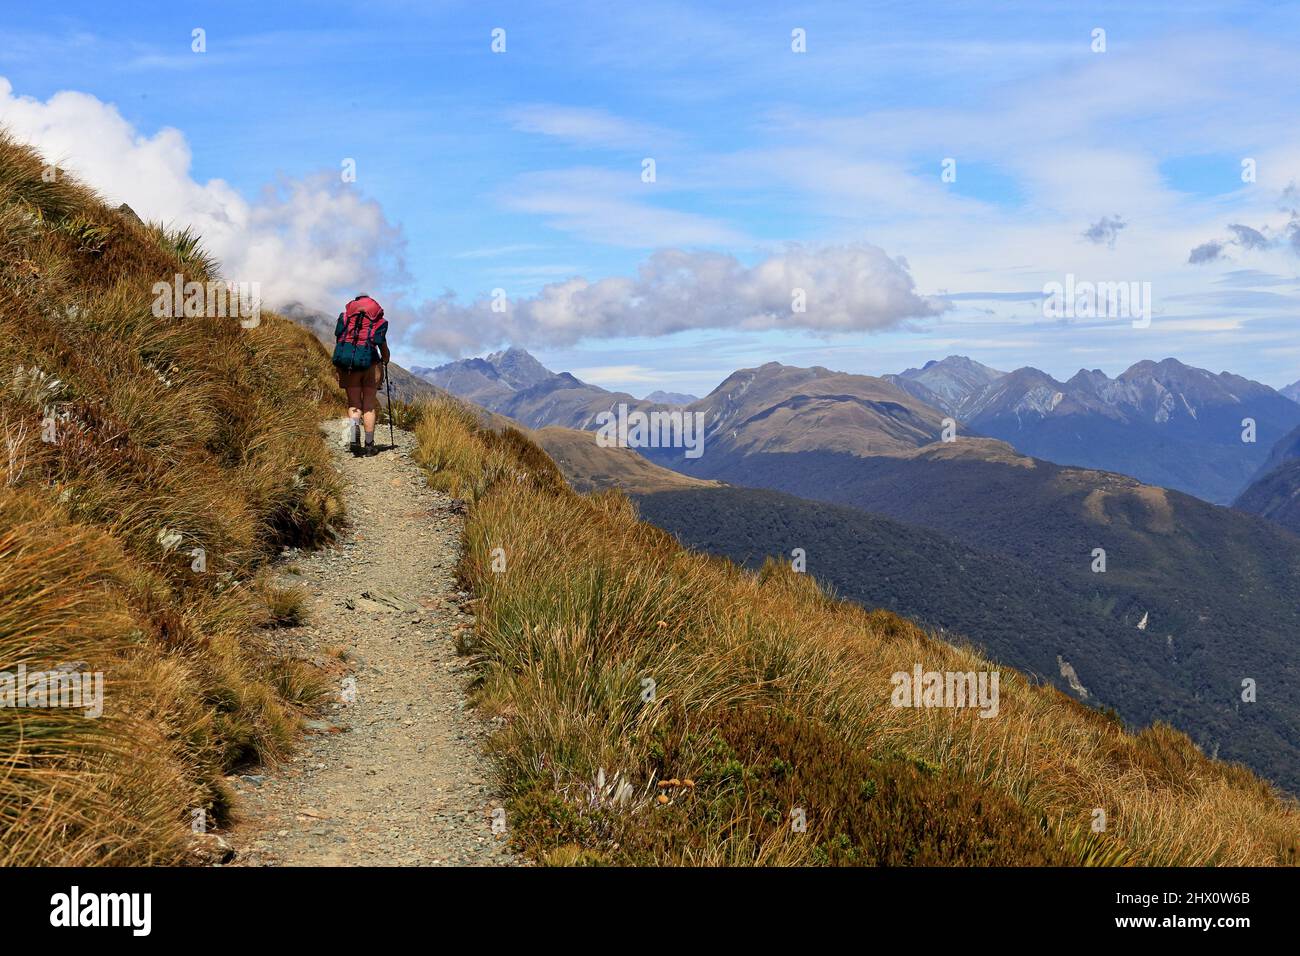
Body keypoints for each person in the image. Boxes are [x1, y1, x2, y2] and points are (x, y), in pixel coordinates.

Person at [332, 294, 390, 456]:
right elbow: (383, 347)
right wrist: (385, 359)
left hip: (350, 365)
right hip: (371, 365)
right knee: (369, 406)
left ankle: (354, 438)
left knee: (354, 404)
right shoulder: (378, 322)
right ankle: (370, 445)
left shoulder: (345, 318)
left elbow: (339, 340)